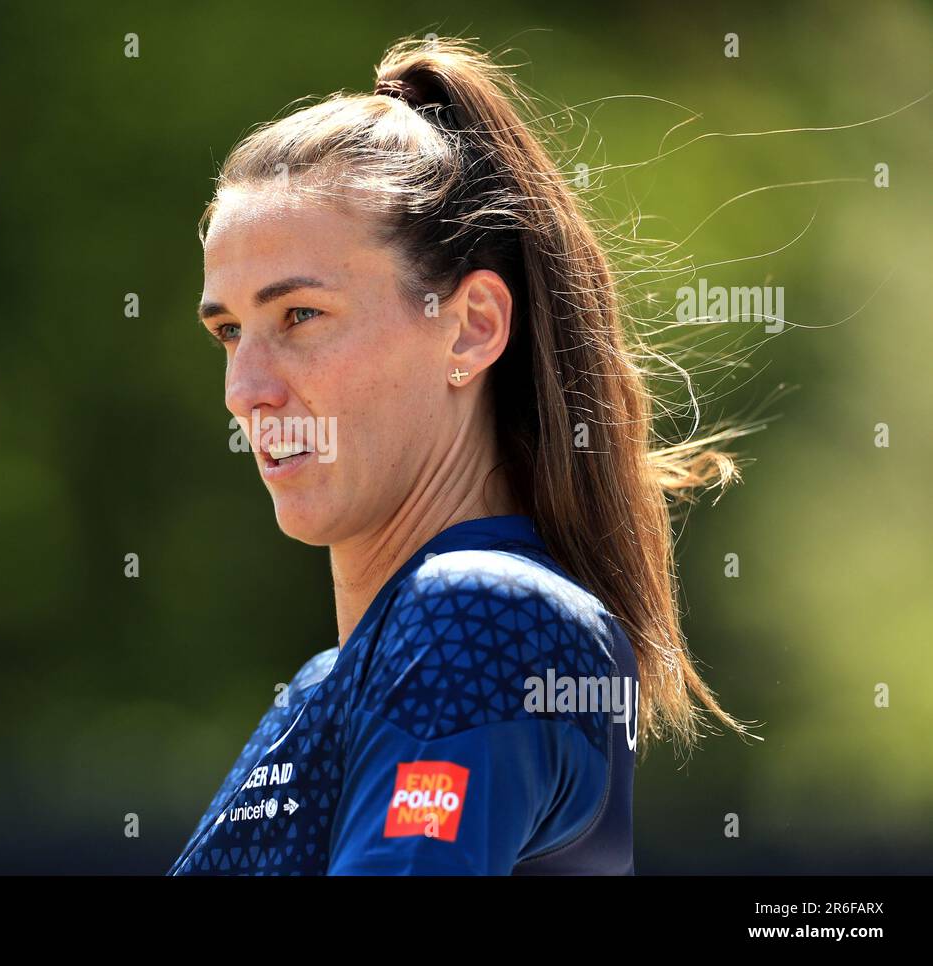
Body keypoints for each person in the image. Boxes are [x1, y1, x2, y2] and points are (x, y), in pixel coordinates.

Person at [169, 34, 752, 875]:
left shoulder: (481, 614)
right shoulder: (331, 686)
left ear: (473, 325)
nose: (245, 388)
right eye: (228, 331)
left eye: (300, 316)